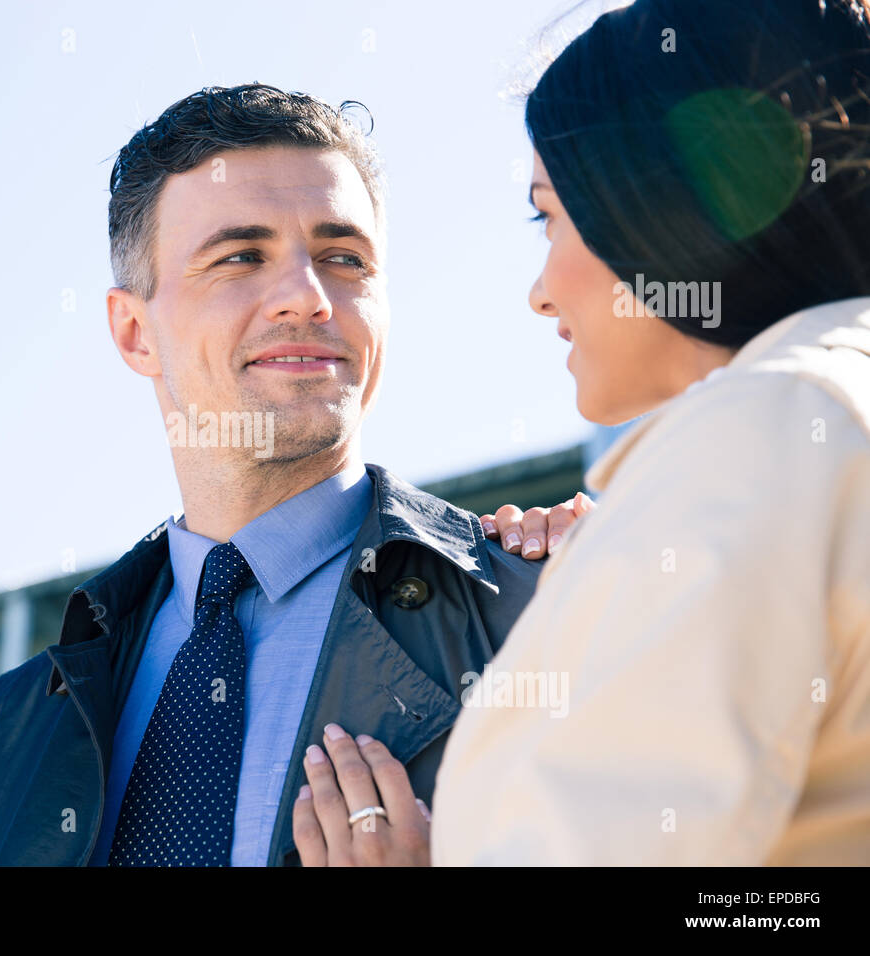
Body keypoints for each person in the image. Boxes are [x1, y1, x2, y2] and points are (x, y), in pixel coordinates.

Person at [0, 84, 587, 867]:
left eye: (344, 259)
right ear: (134, 332)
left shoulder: (546, 607)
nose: (307, 298)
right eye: (241, 256)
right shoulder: (12, 727)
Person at [293, 0, 870, 866]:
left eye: (549, 216)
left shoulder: (765, 428)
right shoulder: (808, 421)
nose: (539, 290)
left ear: (665, 206)